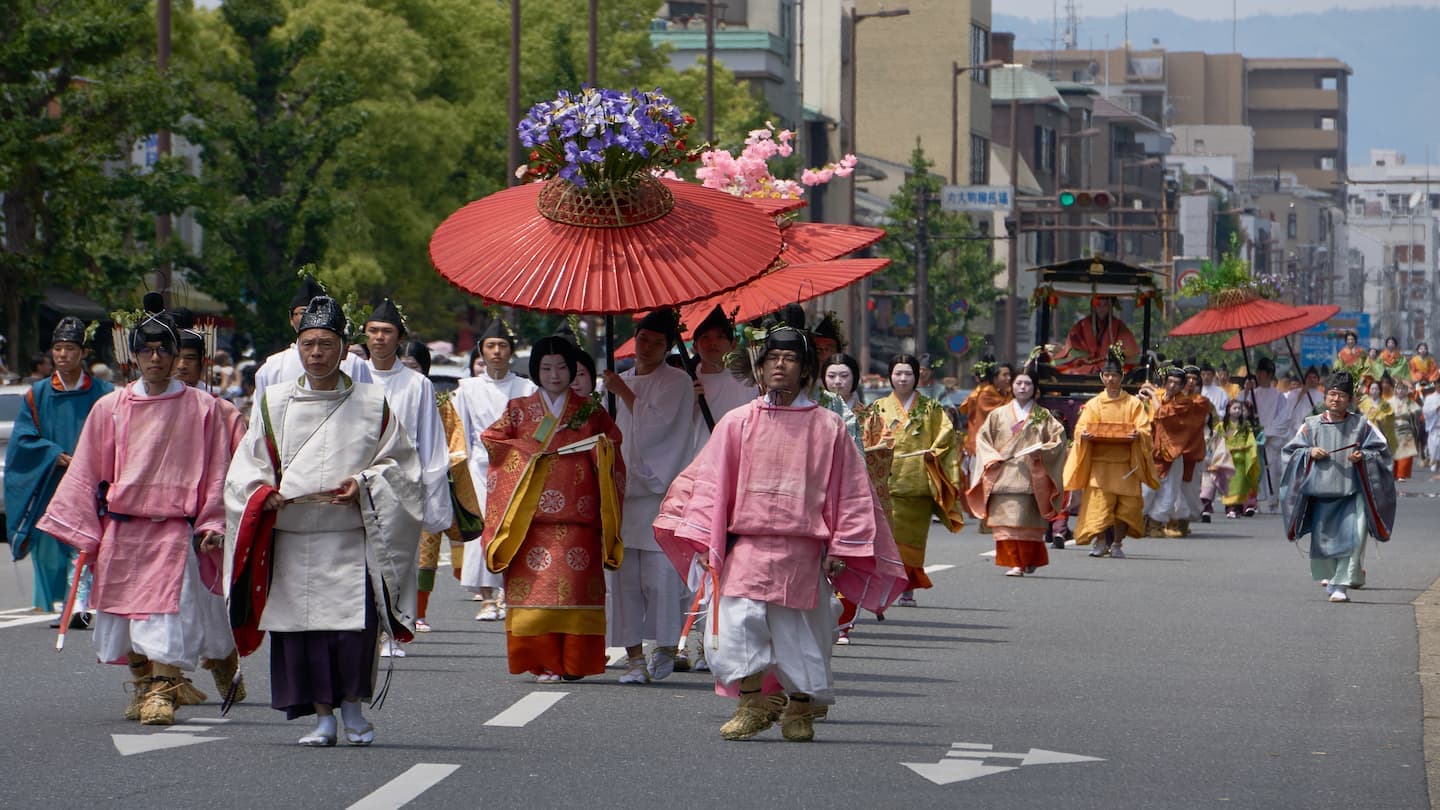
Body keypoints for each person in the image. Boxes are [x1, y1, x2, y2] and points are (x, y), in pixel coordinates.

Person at [652, 322, 904, 742]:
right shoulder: (736, 423)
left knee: (801, 634)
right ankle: (752, 703)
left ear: (806, 370)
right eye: (773, 359)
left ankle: (800, 709)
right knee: (734, 629)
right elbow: (710, 483)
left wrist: (841, 543)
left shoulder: (828, 427)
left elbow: (852, 493)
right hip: (745, 546)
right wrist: (704, 540)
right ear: (761, 368)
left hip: (801, 548)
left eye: (790, 359)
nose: (780, 366)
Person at [224, 295, 422, 747]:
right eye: (308, 343)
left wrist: (364, 484)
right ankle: (322, 719)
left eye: (326, 344)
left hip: (349, 537)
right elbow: (248, 463)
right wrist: (262, 493)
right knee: (301, 635)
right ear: (298, 346)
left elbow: (400, 467)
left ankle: (351, 711)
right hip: (292, 537)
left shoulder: (373, 403)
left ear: (344, 347)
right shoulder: (273, 402)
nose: (316, 353)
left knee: (351, 633)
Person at [36, 303, 231, 726]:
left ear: (177, 353)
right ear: (135, 355)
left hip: (174, 531)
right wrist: (83, 527)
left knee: (167, 613)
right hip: (121, 528)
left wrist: (213, 520)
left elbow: (217, 471)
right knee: (121, 618)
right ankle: (143, 684)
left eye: (165, 350)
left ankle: (163, 690)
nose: (156, 358)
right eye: (148, 349)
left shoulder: (204, 409)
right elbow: (87, 469)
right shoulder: (112, 408)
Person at [479, 336, 625, 682]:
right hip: (529, 525)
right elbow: (492, 441)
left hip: (579, 518)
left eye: (562, 367)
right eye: (546, 368)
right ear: (535, 371)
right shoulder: (518, 409)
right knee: (534, 595)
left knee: (576, 591)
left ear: (573, 369)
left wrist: (601, 447)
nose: (555, 375)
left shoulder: (591, 410)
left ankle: (575, 663)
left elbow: (614, 447)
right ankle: (541, 662)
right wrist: (525, 453)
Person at [601, 308, 696, 683]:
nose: (648, 347)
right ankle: (633, 658)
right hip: (621, 496)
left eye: (658, 342)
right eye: (643, 339)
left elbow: (661, 431)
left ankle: (666, 647)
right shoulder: (616, 381)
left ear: (669, 346)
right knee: (623, 582)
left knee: (660, 579)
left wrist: (623, 393)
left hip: (658, 494)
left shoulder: (677, 382)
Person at [6, 317, 114, 618]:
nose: (62, 355)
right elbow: (24, 438)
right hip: (51, 478)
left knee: (87, 541)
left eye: (69, 348)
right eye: (57, 349)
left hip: (92, 479)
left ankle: (80, 604)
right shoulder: (37, 393)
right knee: (49, 544)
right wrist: (54, 454)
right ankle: (54, 602)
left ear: (84, 353)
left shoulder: (103, 392)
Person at [363, 301, 452, 655]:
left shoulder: (417, 385)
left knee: (399, 560)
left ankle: (392, 629)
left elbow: (431, 441)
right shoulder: (354, 378)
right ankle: (366, 631)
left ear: (399, 338)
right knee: (361, 560)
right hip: (361, 482)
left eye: (386, 332)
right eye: (373, 331)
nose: (379, 338)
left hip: (403, 482)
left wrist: (431, 490)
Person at [171, 313, 249, 705]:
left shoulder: (223, 412)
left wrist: (225, 515)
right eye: (176, 357)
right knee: (166, 603)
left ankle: (222, 663)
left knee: (212, 605)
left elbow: (246, 464)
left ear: (204, 366)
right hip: (163, 520)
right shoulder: (143, 408)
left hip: (209, 521)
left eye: (190, 359)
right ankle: (163, 679)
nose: (182, 365)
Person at [1280, 371, 1395, 603]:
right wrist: (1309, 452)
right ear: (1325, 396)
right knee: (1325, 541)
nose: (1335, 399)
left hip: (1353, 493)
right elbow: (1290, 453)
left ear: (1350, 400)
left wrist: (1363, 455)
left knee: (1353, 539)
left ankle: (1342, 584)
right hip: (1321, 493)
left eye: (1341, 395)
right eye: (1331, 394)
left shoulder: (1361, 425)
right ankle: (1331, 579)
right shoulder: (1310, 426)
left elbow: (1381, 452)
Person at [453, 320, 536, 621]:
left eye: (502, 346)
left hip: (516, 465)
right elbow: (460, 430)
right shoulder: (467, 389)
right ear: (482, 351)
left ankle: (508, 591)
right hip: (478, 466)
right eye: (491, 346)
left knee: (512, 526)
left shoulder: (526, 387)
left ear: (511, 351)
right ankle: (487, 597)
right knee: (482, 529)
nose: (497, 351)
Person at [870, 353, 963, 605]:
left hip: (918, 485)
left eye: (908, 373)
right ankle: (889, 585)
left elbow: (946, 436)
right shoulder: (878, 407)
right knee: (887, 541)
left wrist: (935, 451)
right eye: (898, 373)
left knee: (912, 541)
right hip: (887, 484)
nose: (902, 378)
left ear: (916, 376)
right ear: (890, 375)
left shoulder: (931, 408)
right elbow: (868, 440)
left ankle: (908, 587)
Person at [965, 370, 1066, 576]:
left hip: (1031, 479)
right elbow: (983, 440)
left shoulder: (1043, 415)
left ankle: (1028, 560)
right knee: (1007, 525)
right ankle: (1015, 563)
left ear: (1035, 389)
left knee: (1026, 523)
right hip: (1002, 476)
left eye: (1027, 384)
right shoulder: (998, 414)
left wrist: (1043, 451)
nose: (1022, 387)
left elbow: (1058, 440)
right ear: (1012, 386)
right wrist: (992, 458)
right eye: (1019, 383)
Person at [1062, 351, 1158, 558]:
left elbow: (1144, 429)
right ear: (1102, 377)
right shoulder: (1095, 403)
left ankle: (1116, 543)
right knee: (1099, 506)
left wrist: (1137, 435)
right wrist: (1084, 435)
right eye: (1107, 375)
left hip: (1125, 464)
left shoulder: (1133, 403)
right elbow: (1080, 428)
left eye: (1115, 375)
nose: (1111, 379)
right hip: (1100, 464)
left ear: (1121, 377)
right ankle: (1099, 542)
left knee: (1125, 507)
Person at [252, 276, 372, 402]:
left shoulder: (355, 364)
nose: (316, 353)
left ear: (344, 351)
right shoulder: (273, 367)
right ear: (291, 318)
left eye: (326, 344)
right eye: (304, 312)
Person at [1143, 367, 1212, 538]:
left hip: (1176, 451)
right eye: (1170, 381)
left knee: (1174, 490)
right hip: (1153, 449)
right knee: (1146, 489)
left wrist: (1153, 396)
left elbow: (1161, 414)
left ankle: (1159, 522)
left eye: (1177, 383)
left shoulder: (1187, 402)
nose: (1172, 385)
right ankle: (1140, 521)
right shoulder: (1158, 396)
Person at [1054, 296, 1139, 374]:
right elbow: (1073, 345)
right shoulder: (1083, 324)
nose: (1102, 308)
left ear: (1110, 307)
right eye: (1099, 305)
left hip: (1110, 366)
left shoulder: (1118, 325)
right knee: (1066, 371)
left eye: (1105, 305)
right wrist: (1083, 358)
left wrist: (1114, 357)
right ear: (1093, 306)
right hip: (1085, 365)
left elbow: (1129, 349)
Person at [1220, 400, 1261, 518]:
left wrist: (1250, 448)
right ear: (1228, 410)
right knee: (1230, 485)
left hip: (1242, 460)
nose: (1237, 411)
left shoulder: (1245, 426)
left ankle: (1238, 508)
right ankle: (1230, 508)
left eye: (1239, 409)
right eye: (1234, 408)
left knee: (1242, 485)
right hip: (1228, 460)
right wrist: (1229, 448)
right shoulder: (1225, 426)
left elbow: (1251, 439)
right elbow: (1220, 440)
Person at [1385, 377, 1420, 482]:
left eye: (1403, 389)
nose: (1400, 391)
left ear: (1406, 391)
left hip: (1406, 429)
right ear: (1395, 390)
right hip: (1393, 429)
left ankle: (1401, 474)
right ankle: (1393, 473)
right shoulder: (1389, 401)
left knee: (1405, 454)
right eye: (1398, 389)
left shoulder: (1410, 402)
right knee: (1393, 453)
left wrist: (1413, 412)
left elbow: (1417, 411)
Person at [1423, 382, 1440, 474]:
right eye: (1438, 384)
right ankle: (1434, 462)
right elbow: (1425, 411)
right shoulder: (1430, 398)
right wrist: (1436, 408)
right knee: (1434, 447)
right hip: (1434, 427)